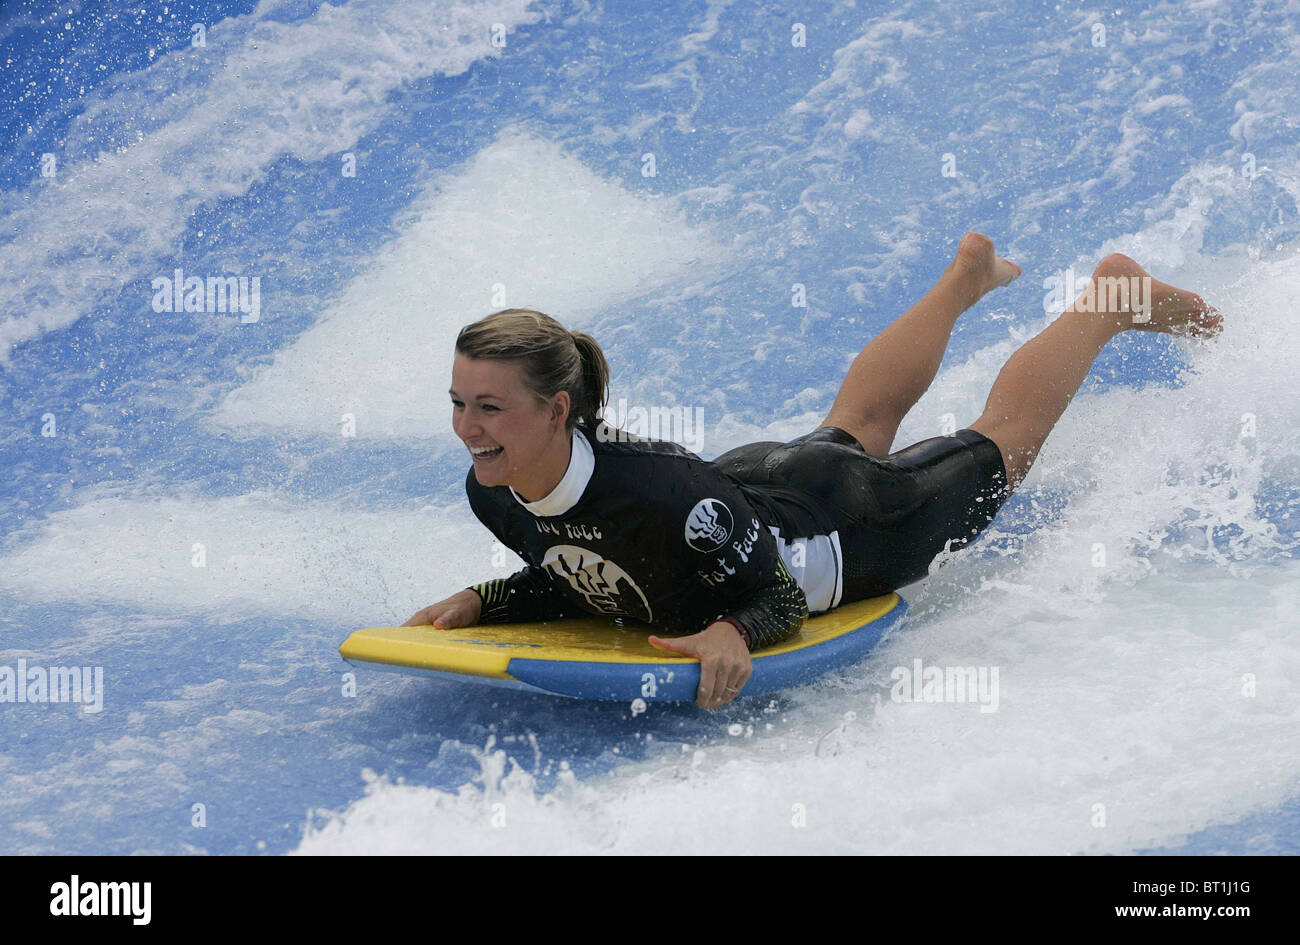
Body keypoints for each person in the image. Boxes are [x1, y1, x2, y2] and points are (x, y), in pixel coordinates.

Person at [404, 232, 1221, 709]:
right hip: (758, 488)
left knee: (1003, 440)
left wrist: (732, 630)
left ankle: (1110, 300)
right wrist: (488, 599)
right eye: (459, 402)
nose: (467, 430)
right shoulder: (495, 487)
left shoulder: (664, 495)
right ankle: (963, 278)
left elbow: (780, 598)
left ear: (555, 409)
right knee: (855, 422)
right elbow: (601, 572)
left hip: (844, 528)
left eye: (489, 408)